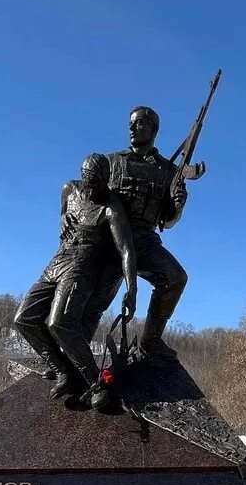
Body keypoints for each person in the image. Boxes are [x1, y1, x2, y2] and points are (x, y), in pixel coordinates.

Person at [13, 179, 138, 405]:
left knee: (60, 323)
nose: (90, 190)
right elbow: (64, 217)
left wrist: (132, 288)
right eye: (87, 182)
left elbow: (126, 248)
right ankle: (62, 368)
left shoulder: (111, 207)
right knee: (24, 318)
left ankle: (94, 382)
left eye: (96, 184)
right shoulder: (70, 189)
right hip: (58, 261)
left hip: (83, 264)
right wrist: (62, 217)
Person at [79, 106, 189, 362]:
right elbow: (89, 199)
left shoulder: (169, 171)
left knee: (175, 278)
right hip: (112, 239)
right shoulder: (111, 162)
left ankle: (151, 340)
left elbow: (168, 221)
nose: (131, 128)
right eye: (130, 123)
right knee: (96, 300)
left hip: (145, 240)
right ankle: (73, 354)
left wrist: (179, 205)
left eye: (138, 123)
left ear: (153, 129)